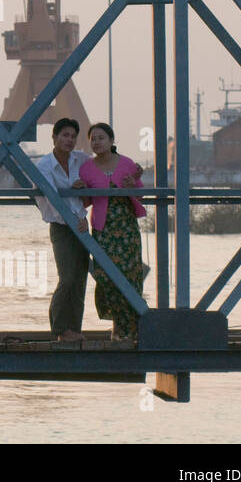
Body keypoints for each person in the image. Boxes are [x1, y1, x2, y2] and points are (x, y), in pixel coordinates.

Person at [78, 123, 147, 341]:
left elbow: (141, 194)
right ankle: (119, 324)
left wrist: (132, 184)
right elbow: (85, 202)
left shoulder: (126, 164)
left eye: (101, 138)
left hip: (126, 228)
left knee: (130, 276)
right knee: (105, 276)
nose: (97, 142)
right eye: (93, 139)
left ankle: (128, 330)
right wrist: (80, 191)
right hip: (102, 228)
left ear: (111, 141)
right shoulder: (86, 168)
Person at [34, 118, 91, 342]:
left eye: (73, 136)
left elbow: (99, 172)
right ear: (54, 137)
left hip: (81, 225)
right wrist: (72, 216)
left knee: (79, 279)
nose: (69, 140)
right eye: (65, 135)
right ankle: (59, 329)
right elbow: (51, 199)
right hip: (61, 226)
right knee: (67, 278)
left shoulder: (81, 159)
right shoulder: (44, 166)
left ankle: (73, 330)